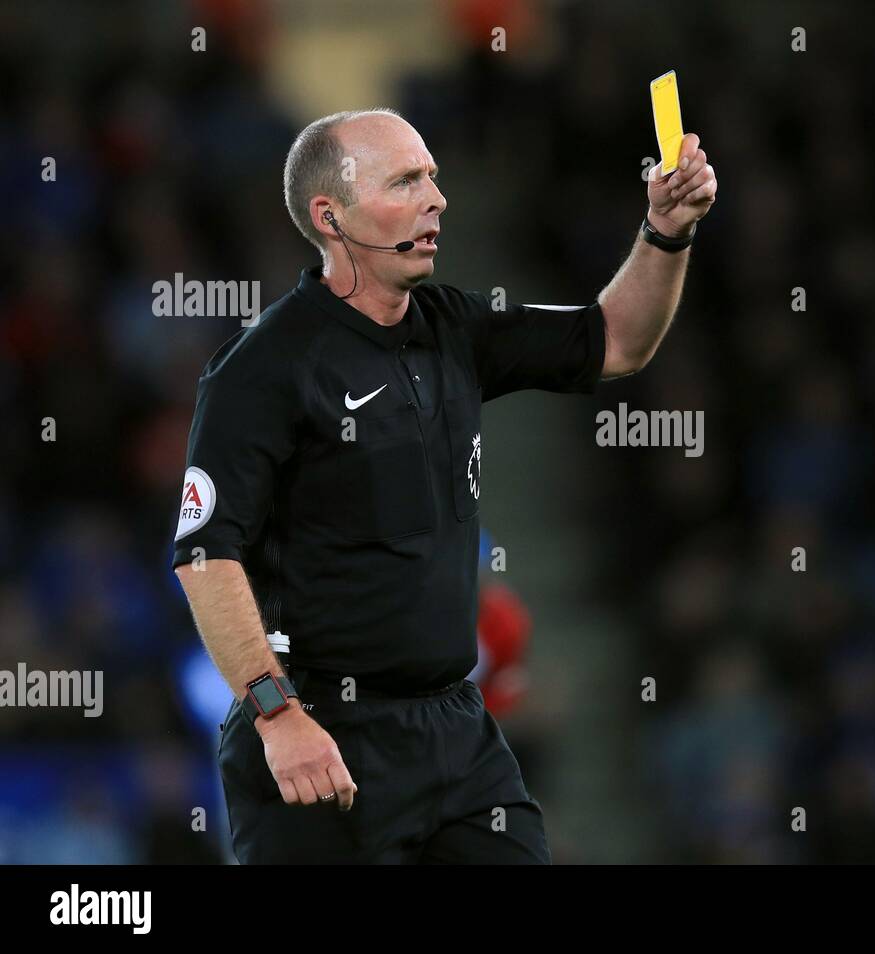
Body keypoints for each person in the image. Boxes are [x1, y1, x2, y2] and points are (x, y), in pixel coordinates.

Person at [171, 107, 717, 863]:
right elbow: (206, 556)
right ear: (332, 216)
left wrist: (667, 231)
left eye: (433, 175)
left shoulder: (453, 327)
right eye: (406, 180)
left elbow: (617, 339)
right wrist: (276, 715)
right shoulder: (263, 369)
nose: (437, 197)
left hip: (457, 734)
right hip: (322, 734)